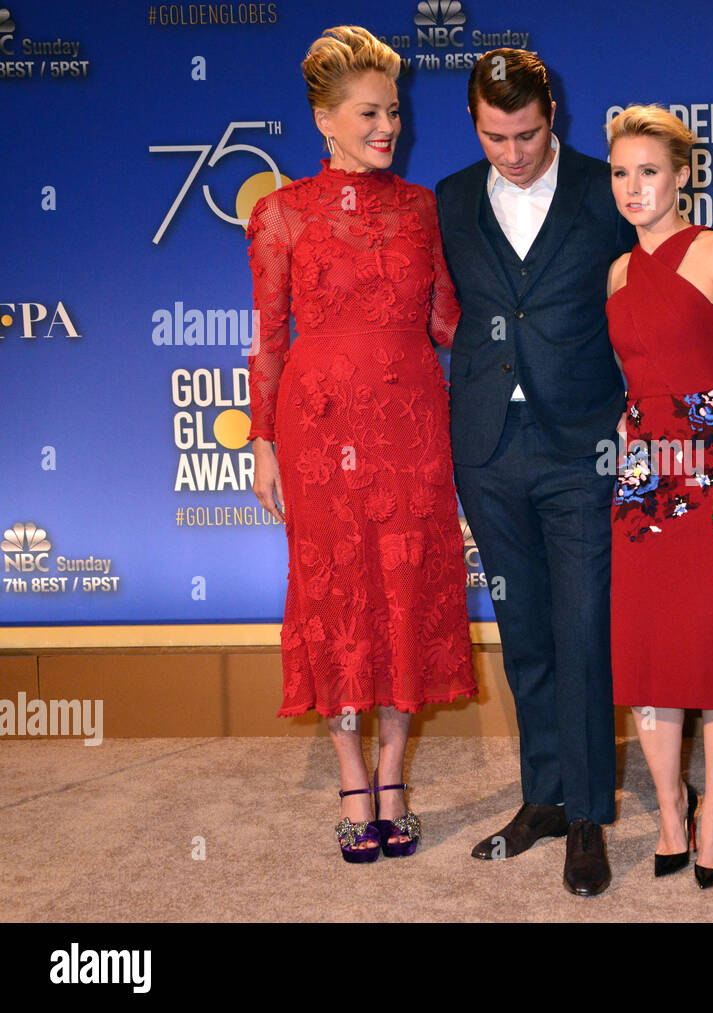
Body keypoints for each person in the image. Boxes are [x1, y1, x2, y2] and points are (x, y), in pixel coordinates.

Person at [247, 26, 475, 864]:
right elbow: (269, 337)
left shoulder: (423, 209)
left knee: (407, 587)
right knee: (338, 596)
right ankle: (352, 779)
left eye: (395, 111)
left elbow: (448, 323)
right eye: (371, 113)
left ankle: (392, 775)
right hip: (319, 427)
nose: (389, 127)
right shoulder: (279, 214)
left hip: (412, 423)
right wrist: (261, 439)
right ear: (325, 119)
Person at [433, 49, 635, 896]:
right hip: (487, 443)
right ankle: (544, 798)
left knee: (582, 628)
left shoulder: (605, 188)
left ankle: (587, 814)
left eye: (527, 134)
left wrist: (641, 407)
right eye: (495, 136)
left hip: (581, 440)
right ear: (474, 123)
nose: (513, 154)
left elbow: (648, 297)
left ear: (553, 114)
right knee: (524, 631)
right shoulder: (449, 198)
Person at [605, 106, 713, 888]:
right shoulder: (616, 273)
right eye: (621, 173)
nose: (633, 187)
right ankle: (672, 810)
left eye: (649, 171)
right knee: (649, 653)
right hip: (645, 479)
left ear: (682, 175)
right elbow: (636, 379)